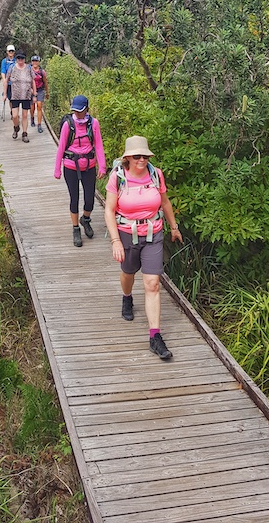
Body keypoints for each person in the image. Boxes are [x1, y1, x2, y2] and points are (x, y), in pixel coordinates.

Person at [104, 135, 183, 360]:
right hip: (127, 235)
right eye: (137, 156)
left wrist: (174, 227)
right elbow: (109, 210)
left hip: (153, 233)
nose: (142, 159)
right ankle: (127, 296)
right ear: (127, 157)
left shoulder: (156, 174)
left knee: (153, 283)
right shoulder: (117, 177)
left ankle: (155, 337)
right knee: (128, 272)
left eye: (145, 155)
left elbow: (165, 202)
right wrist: (115, 241)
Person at [54, 95, 106, 247]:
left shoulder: (93, 123)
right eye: (75, 111)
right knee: (74, 198)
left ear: (86, 109)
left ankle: (86, 219)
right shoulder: (68, 125)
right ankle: (76, 228)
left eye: (80, 111)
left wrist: (102, 166)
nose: (77, 113)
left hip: (89, 166)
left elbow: (99, 145)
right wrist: (57, 168)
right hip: (71, 166)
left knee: (90, 199)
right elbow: (61, 147)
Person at [3, 51, 37, 143]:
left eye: (22, 58)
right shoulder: (12, 67)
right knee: (14, 116)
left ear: (24, 59)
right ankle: (16, 127)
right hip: (15, 95)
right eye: (18, 58)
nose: (20, 60)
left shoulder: (29, 68)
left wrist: (34, 94)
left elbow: (33, 81)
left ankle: (25, 133)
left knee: (25, 115)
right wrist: (5, 94)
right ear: (16, 59)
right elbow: (6, 80)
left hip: (26, 95)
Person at [30, 55, 49, 132]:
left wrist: (47, 92)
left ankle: (39, 125)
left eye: (36, 61)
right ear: (31, 62)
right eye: (33, 61)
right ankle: (32, 118)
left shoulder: (42, 72)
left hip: (40, 90)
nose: (35, 63)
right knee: (32, 107)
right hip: (30, 90)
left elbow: (45, 82)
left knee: (39, 105)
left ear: (39, 62)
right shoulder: (29, 71)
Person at [0, 44, 16, 114]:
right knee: (10, 98)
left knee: (15, 98)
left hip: (15, 83)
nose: (11, 53)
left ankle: (14, 111)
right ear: (7, 52)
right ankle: (12, 111)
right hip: (8, 82)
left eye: (12, 51)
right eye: (10, 51)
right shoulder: (4, 61)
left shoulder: (16, 61)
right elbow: (3, 71)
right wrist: (4, 80)